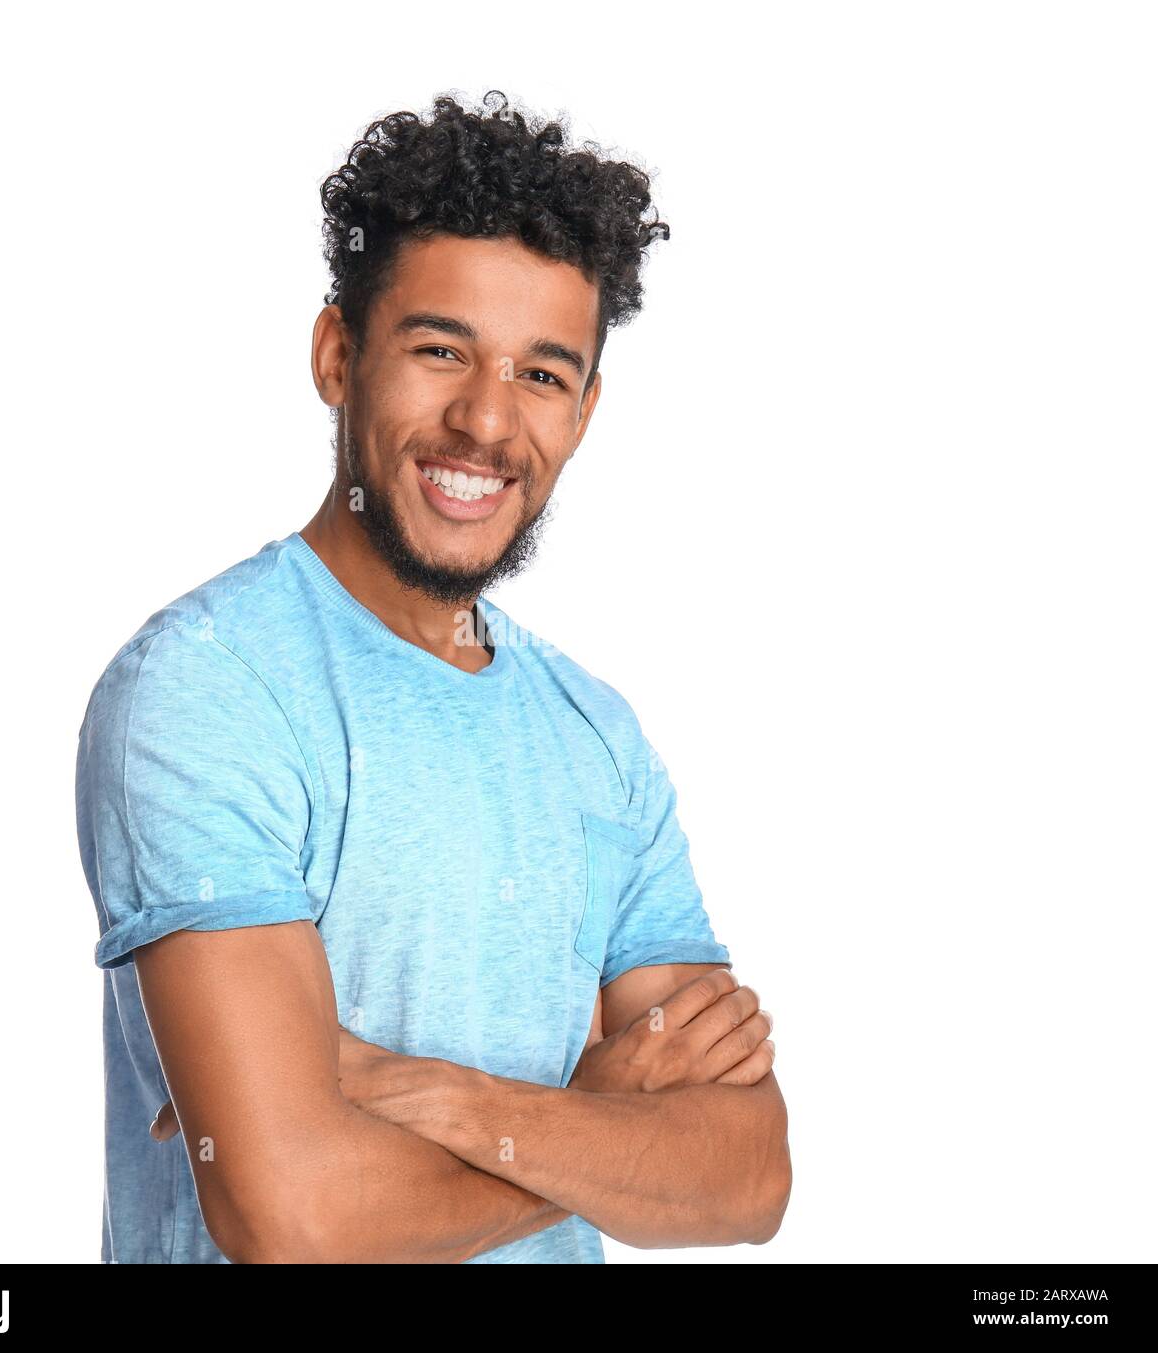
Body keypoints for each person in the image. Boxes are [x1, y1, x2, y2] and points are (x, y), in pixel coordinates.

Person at [75, 89, 790, 1264]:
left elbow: (748, 1178)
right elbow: (290, 1215)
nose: (485, 421)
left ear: (586, 409)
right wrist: (604, 1123)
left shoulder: (595, 740)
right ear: (336, 353)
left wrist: (435, 1097)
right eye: (440, 349)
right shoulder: (207, 690)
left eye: (543, 375)